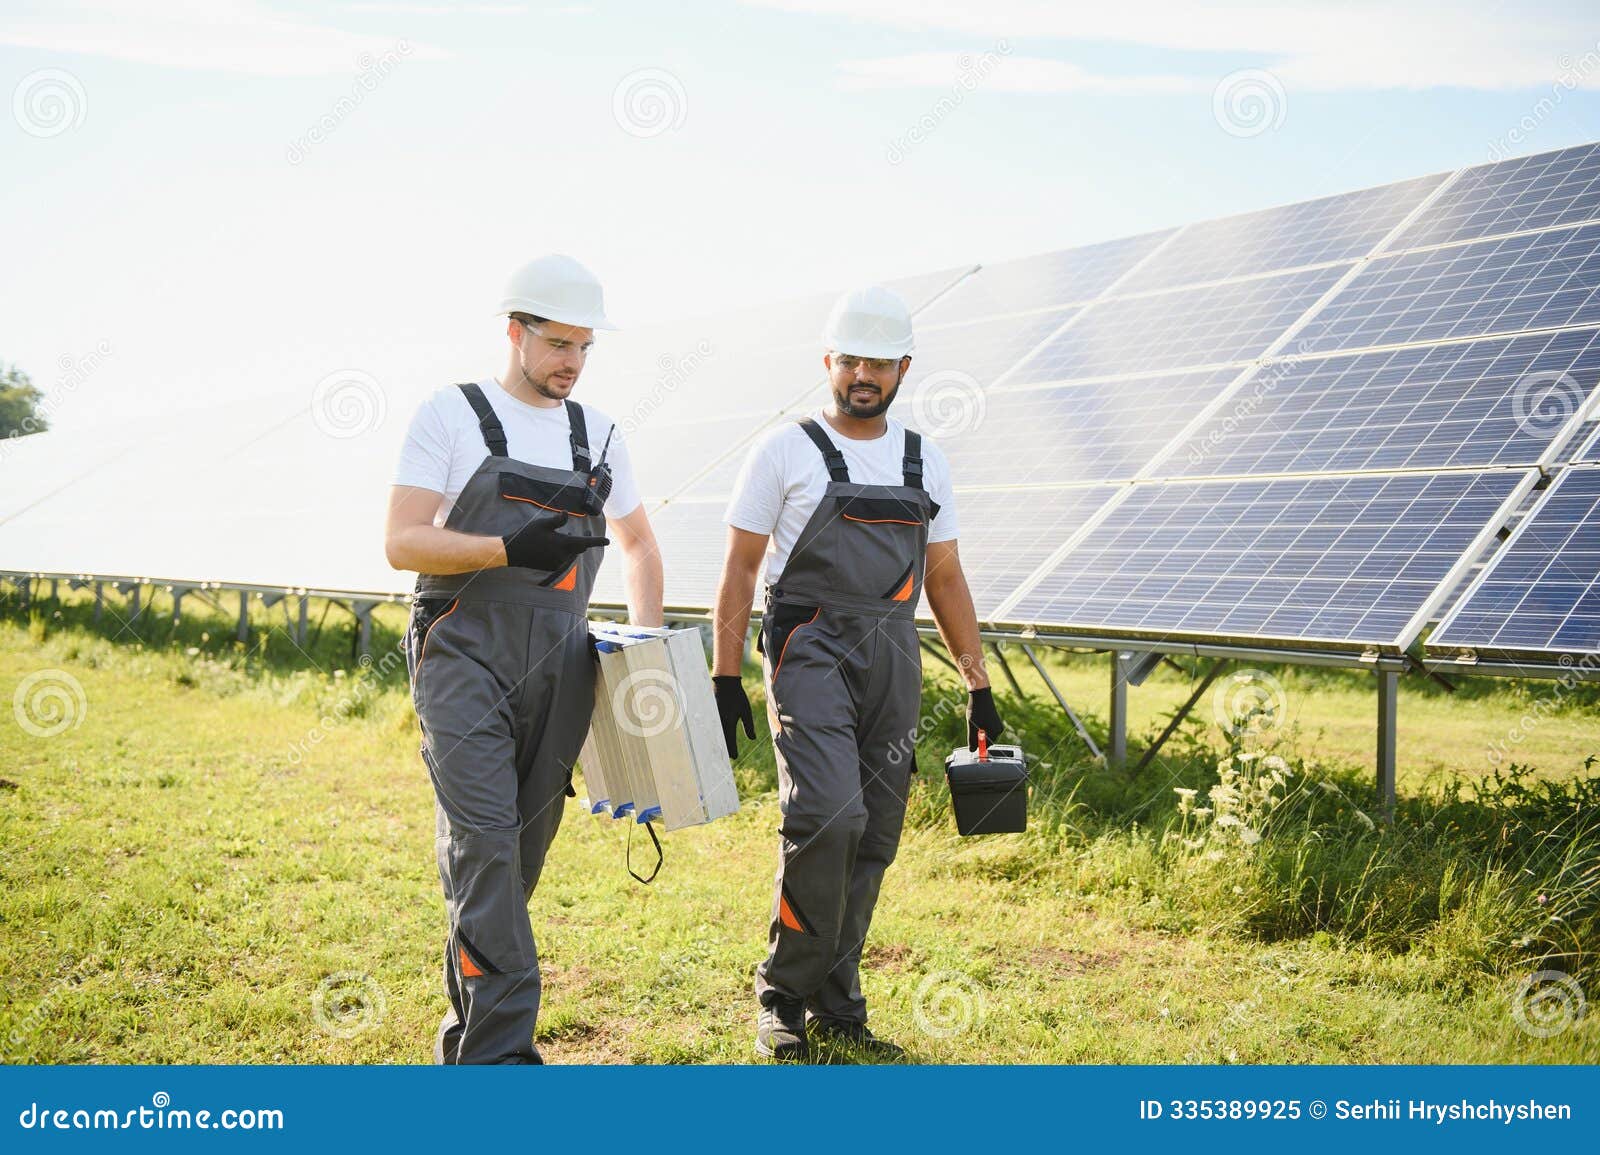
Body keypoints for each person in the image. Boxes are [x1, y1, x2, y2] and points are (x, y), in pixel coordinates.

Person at [711, 285, 1005, 1061]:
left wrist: (978, 685)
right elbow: (741, 567)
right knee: (828, 816)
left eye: (879, 361)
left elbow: (944, 578)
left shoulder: (925, 460)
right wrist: (725, 673)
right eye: (850, 360)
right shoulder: (785, 450)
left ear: (904, 366)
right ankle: (782, 993)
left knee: (874, 831)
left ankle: (838, 1000)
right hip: (808, 641)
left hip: (891, 651)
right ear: (828, 363)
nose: (863, 374)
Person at [385, 253, 664, 1063]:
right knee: (485, 843)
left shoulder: (600, 432)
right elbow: (402, 540)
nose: (571, 361)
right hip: (462, 648)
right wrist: (506, 546)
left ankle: (466, 1039)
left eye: (584, 346)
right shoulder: (450, 414)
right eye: (556, 343)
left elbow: (641, 546)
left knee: (514, 860)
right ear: (515, 331)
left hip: (561, 664)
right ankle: (504, 1062)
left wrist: (643, 652)